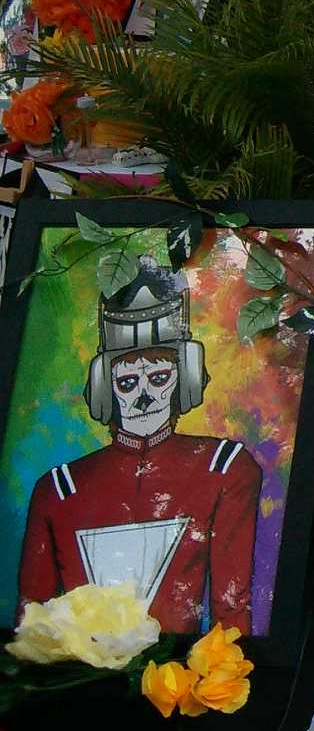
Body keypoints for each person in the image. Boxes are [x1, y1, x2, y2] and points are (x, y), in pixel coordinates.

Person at [17, 259, 260, 634]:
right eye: (128, 382)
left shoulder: (224, 468)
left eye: (160, 378)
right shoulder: (60, 489)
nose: (145, 396)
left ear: (186, 377)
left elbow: (232, 611)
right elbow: (33, 624)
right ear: (104, 387)